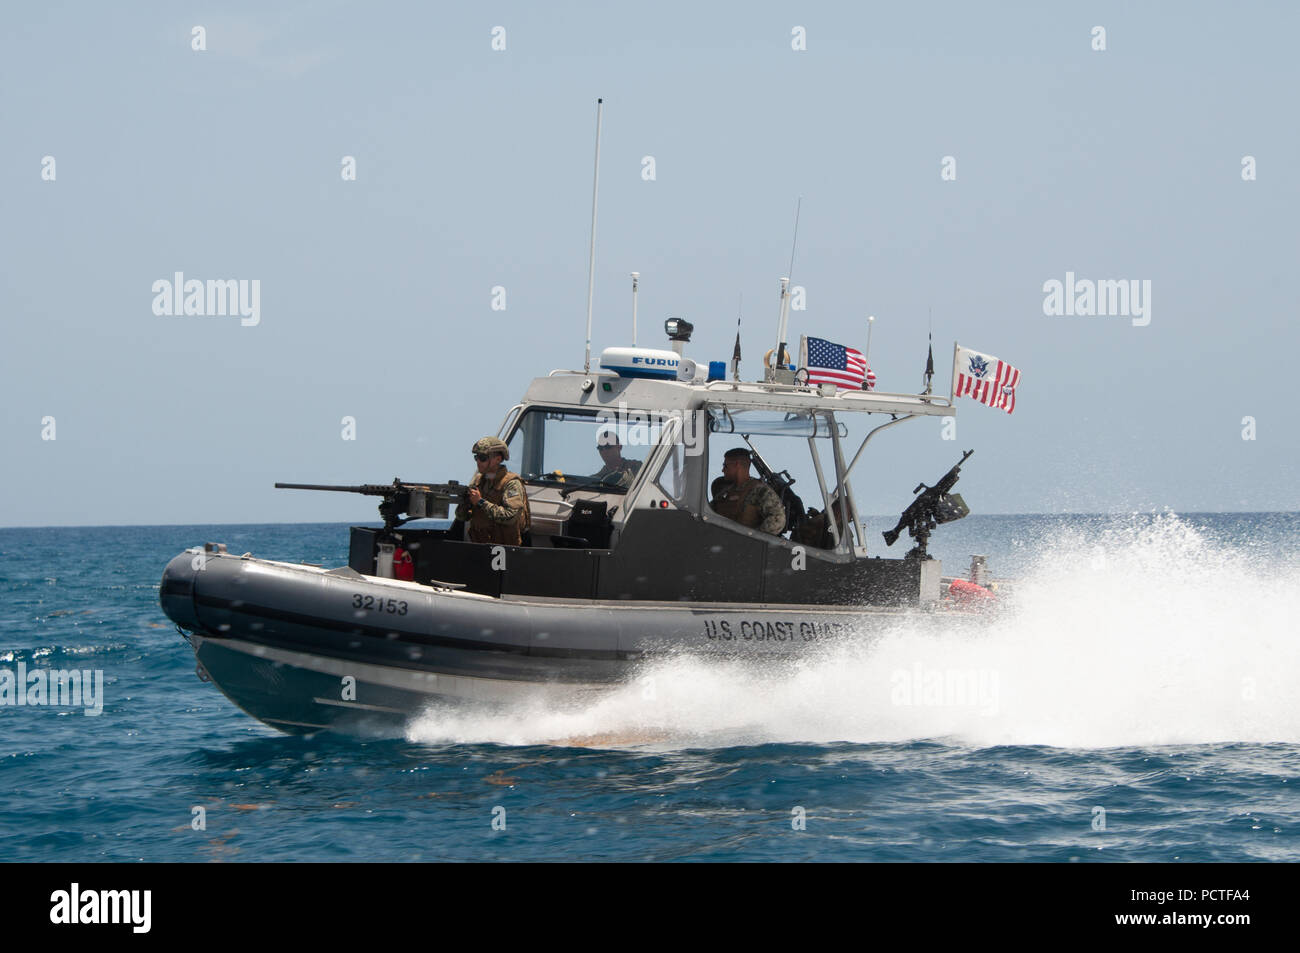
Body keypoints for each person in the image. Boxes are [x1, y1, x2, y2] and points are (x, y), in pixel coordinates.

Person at [454, 436, 530, 545]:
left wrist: (480, 502)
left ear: (498, 459)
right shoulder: (478, 482)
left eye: (483, 458)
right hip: (479, 546)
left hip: (505, 550)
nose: (478, 462)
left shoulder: (511, 483)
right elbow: (462, 516)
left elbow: (510, 516)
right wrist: (465, 502)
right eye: (477, 458)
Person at [709, 447, 786, 535]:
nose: (723, 470)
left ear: (737, 465)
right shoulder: (725, 493)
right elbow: (708, 512)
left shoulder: (760, 491)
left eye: (725, 466)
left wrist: (752, 537)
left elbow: (778, 519)